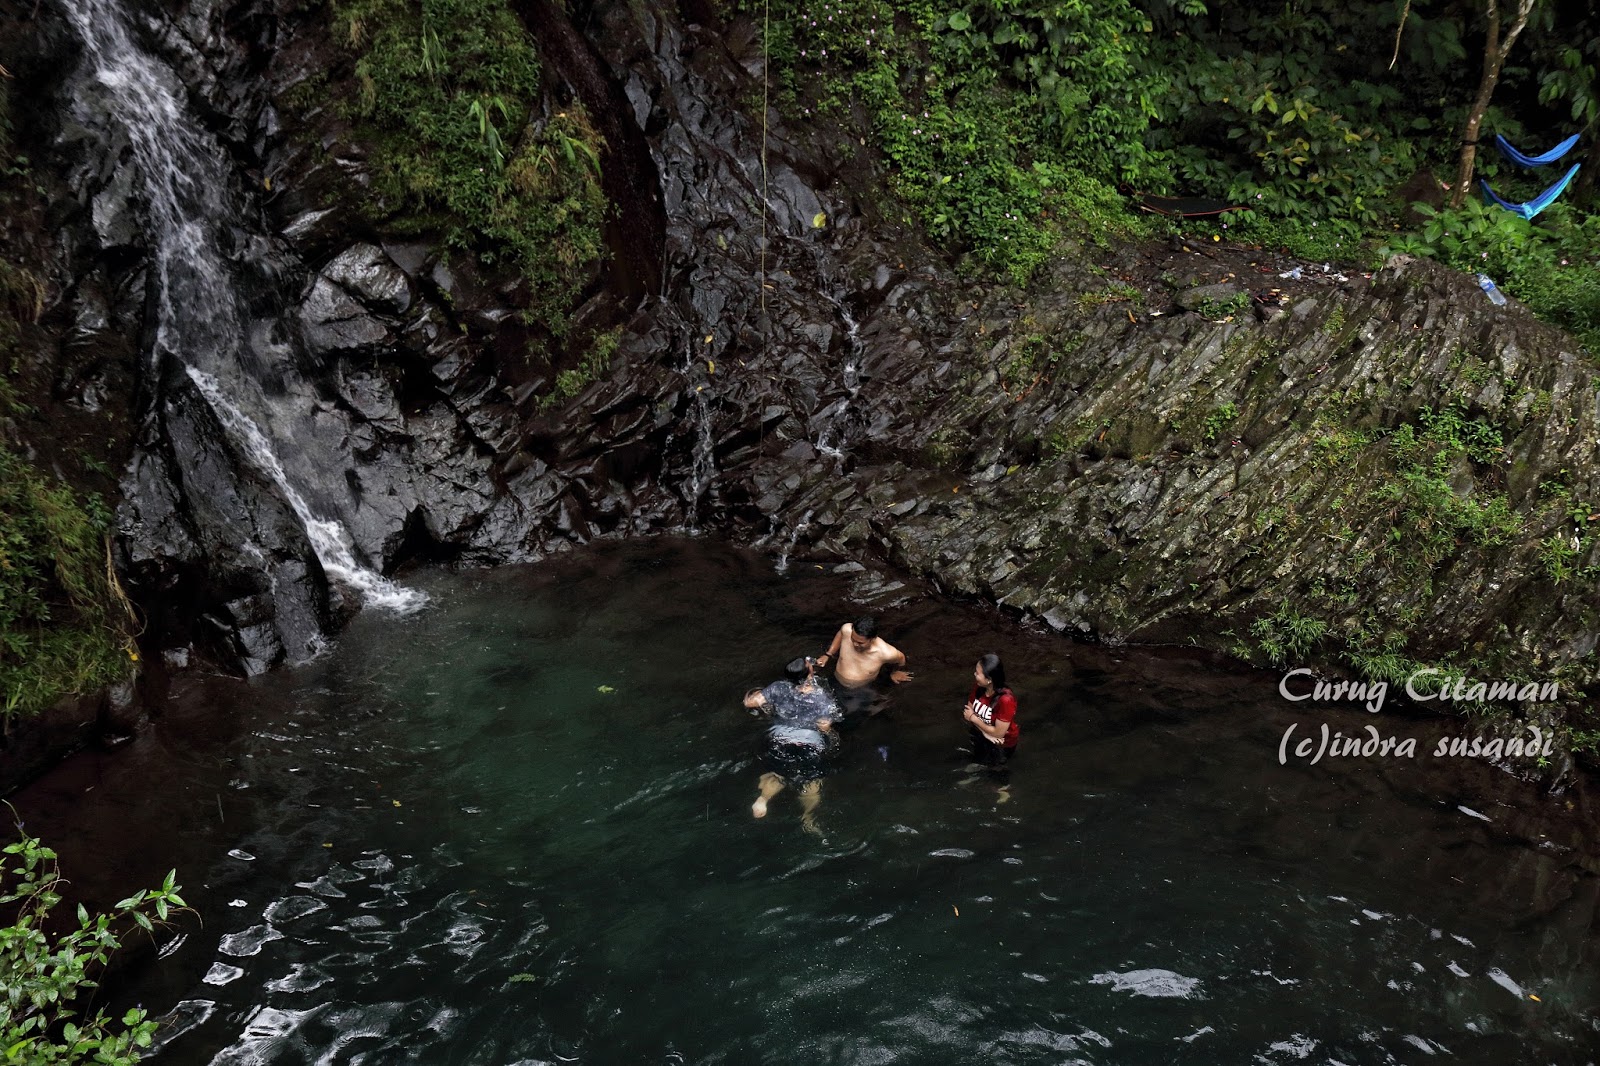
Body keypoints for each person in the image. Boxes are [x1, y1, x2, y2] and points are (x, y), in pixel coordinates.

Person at [744, 657, 840, 830]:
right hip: (809, 745)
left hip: (779, 740)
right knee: (811, 782)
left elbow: (750, 702)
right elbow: (825, 727)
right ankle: (807, 816)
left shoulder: (777, 688)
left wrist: (760, 697)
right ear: (810, 673)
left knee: (778, 775)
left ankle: (763, 799)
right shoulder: (821, 698)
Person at [817, 617, 913, 691]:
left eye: (860, 643)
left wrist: (895, 672)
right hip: (835, 680)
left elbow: (901, 659)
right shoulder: (847, 630)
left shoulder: (886, 653)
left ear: (872, 639)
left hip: (862, 689)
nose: (854, 644)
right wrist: (828, 654)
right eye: (853, 639)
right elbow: (840, 634)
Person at [962, 653, 1018, 766]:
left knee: (996, 770)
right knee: (977, 761)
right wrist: (985, 733)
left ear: (989, 679)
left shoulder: (1006, 700)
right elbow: (967, 713)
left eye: (977, 673)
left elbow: (998, 733)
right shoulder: (979, 687)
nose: (974, 674)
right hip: (982, 734)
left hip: (1001, 744)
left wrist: (974, 718)